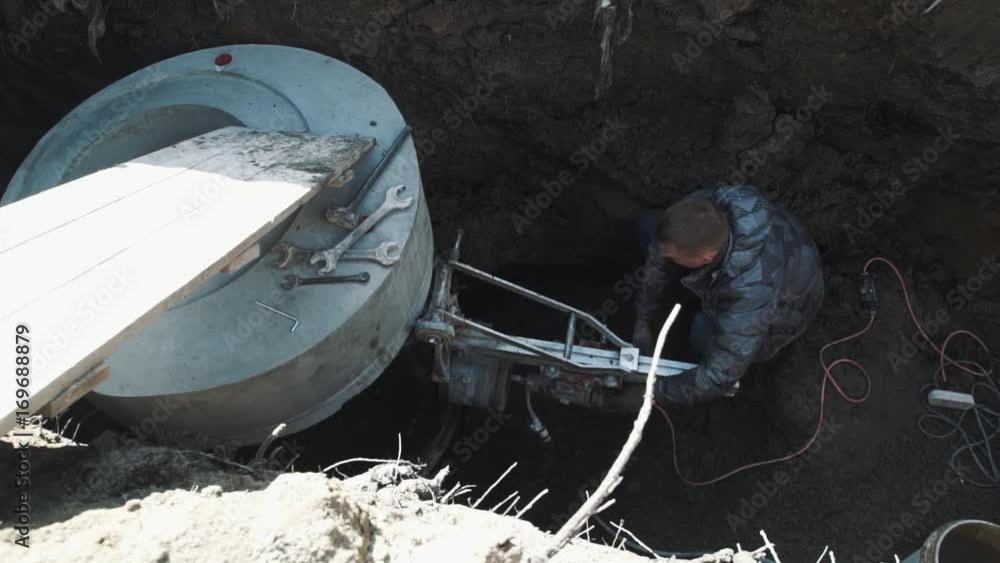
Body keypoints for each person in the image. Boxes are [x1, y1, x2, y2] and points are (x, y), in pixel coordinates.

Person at [633, 185, 824, 406]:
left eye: (674, 257)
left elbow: (719, 376)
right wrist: (643, 319)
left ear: (707, 258)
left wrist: (650, 393)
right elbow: (662, 249)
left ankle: (692, 362)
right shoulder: (711, 204)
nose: (667, 257)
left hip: (785, 308)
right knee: (649, 225)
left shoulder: (751, 289)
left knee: (702, 330)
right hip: (775, 248)